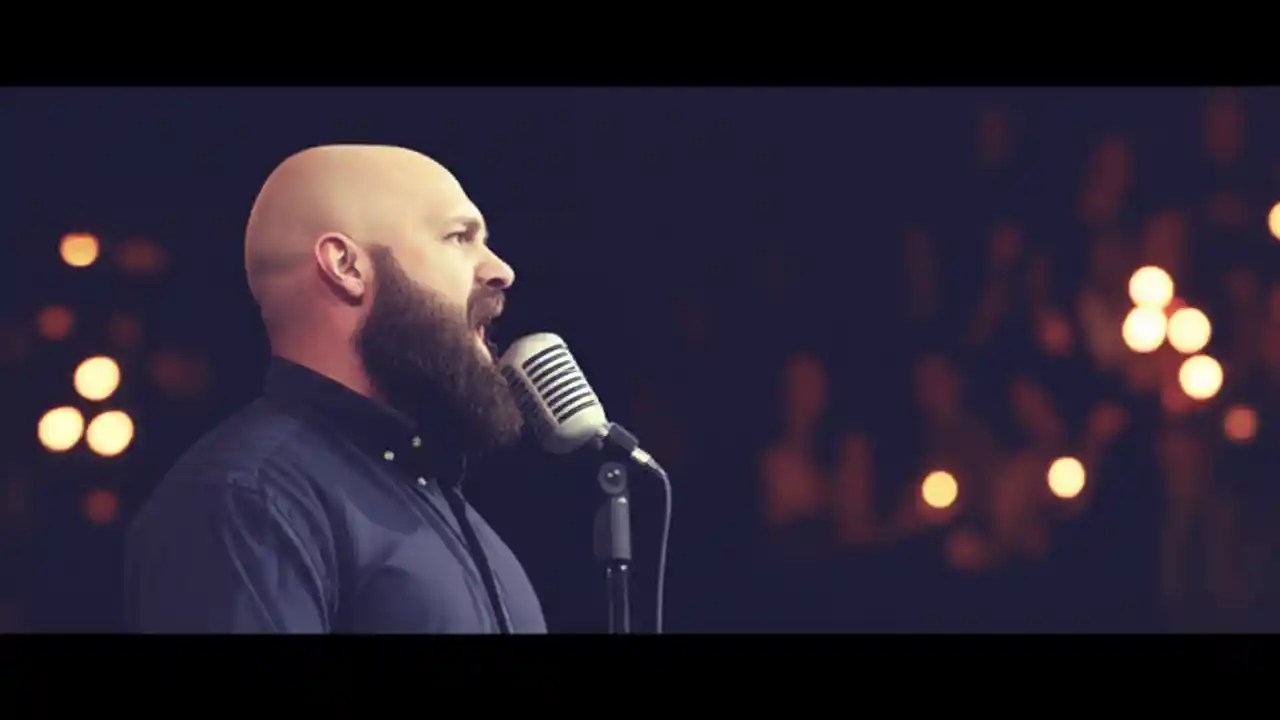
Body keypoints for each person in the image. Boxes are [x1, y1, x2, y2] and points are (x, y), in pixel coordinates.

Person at [123, 144, 547, 633]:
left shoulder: (447, 505)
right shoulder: (246, 502)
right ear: (346, 266)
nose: (500, 269)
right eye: (458, 237)